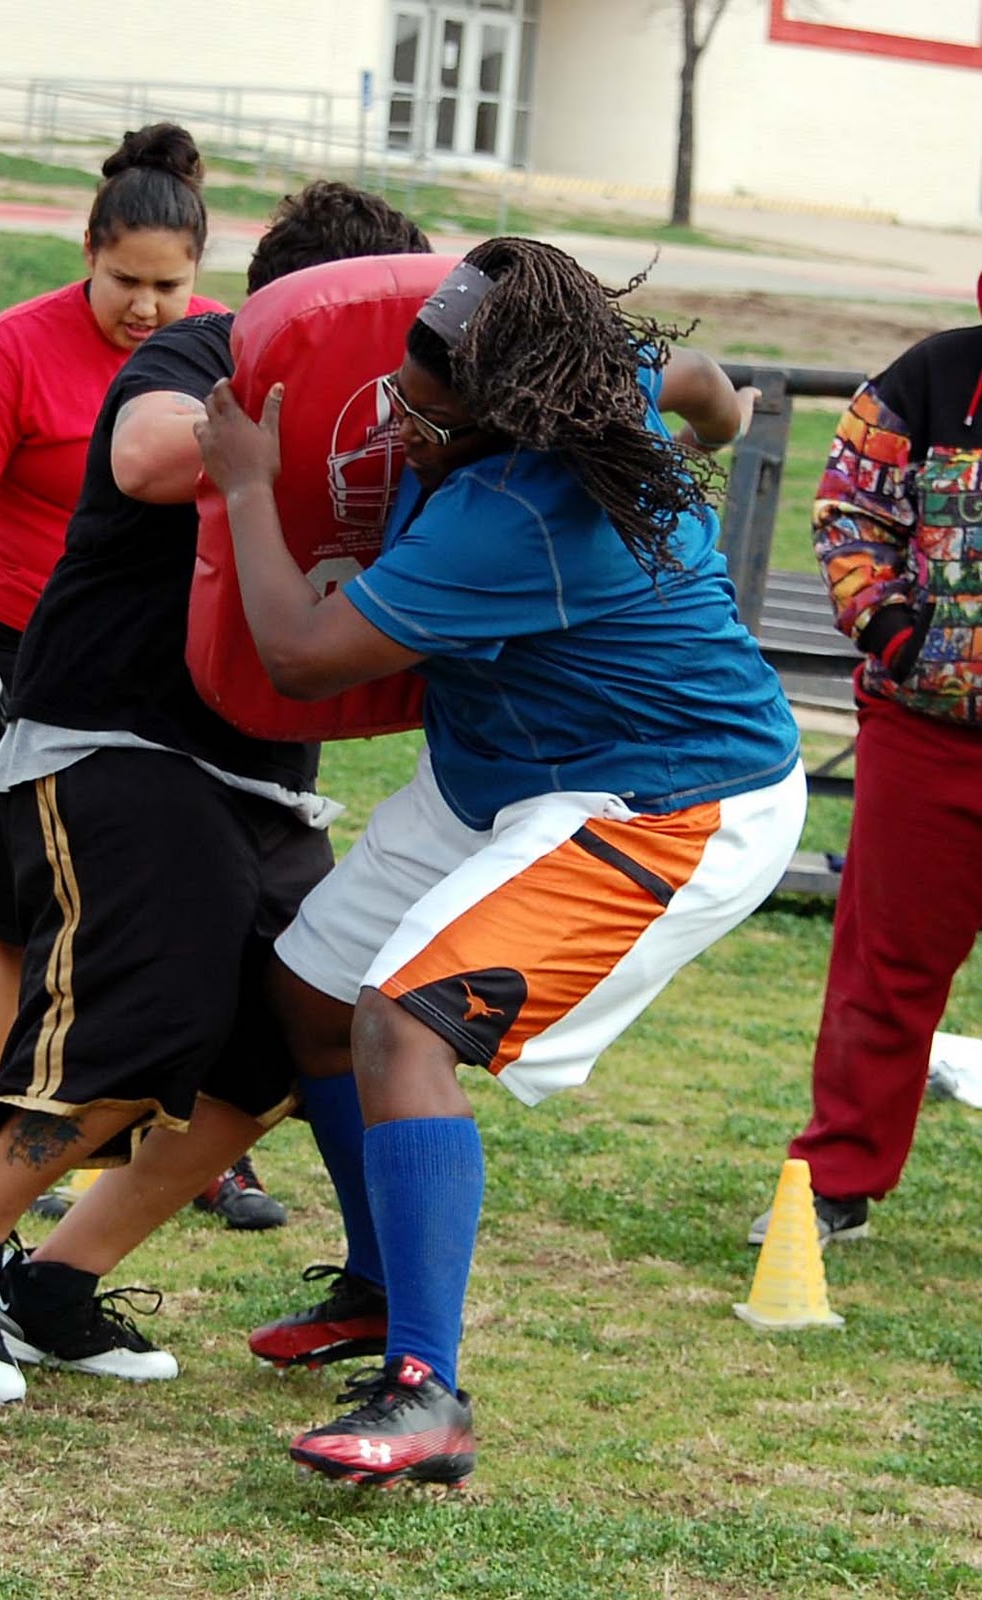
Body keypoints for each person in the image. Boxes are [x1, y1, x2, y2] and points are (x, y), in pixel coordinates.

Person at [192, 237, 808, 1487]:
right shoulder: (586, 389)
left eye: (429, 399)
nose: (399, 413)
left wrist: (250, 487)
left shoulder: (519, 507)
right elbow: (696, 380)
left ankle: (427, 1395)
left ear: (512, 413)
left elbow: (302, 659)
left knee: (404, 1023)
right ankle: (378, 1285)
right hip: (506, 770)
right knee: (311, 998)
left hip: (665, 798)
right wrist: (721, 422)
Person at [0, 182, 433, 1405]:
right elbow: (139, 453)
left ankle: (57, 1281)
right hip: (115, 731)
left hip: (267, 768)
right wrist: (260, 445)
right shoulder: (206, 350)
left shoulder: (407, 410)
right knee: (157, 997)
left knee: (280, 1038)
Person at [0, 121, 281, 1227]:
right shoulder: (11, 349)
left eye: (171, 285)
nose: (147, 307)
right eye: (126, 280)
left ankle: (191, 1146)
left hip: (175, 665)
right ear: (87, 248)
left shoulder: (221, 346)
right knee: (6, 909)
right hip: (35, 657)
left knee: (196, 912)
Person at [748, 282, 982, 1250]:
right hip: (927, 736)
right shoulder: (929, 380)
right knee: (881, 972)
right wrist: (897, 636)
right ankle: (836, 1180)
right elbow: (848, 507)